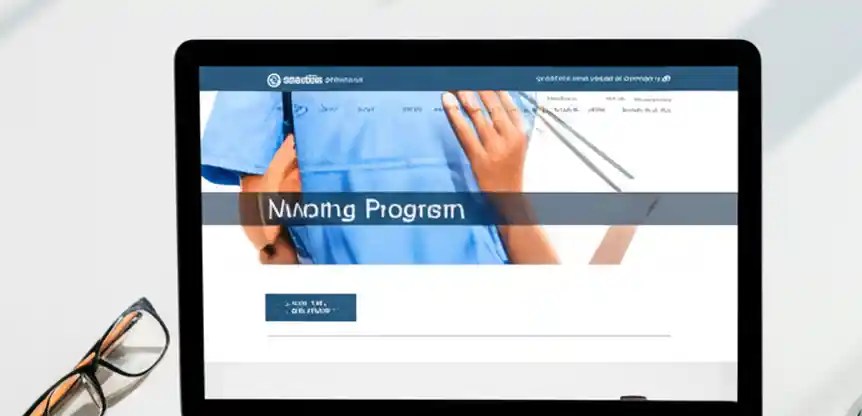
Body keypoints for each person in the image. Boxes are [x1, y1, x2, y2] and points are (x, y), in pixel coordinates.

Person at [201, 90, 634, 264]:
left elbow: (556, 312)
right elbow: (266, 233)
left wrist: (506, 195)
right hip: (346, 342)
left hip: (492, 335)